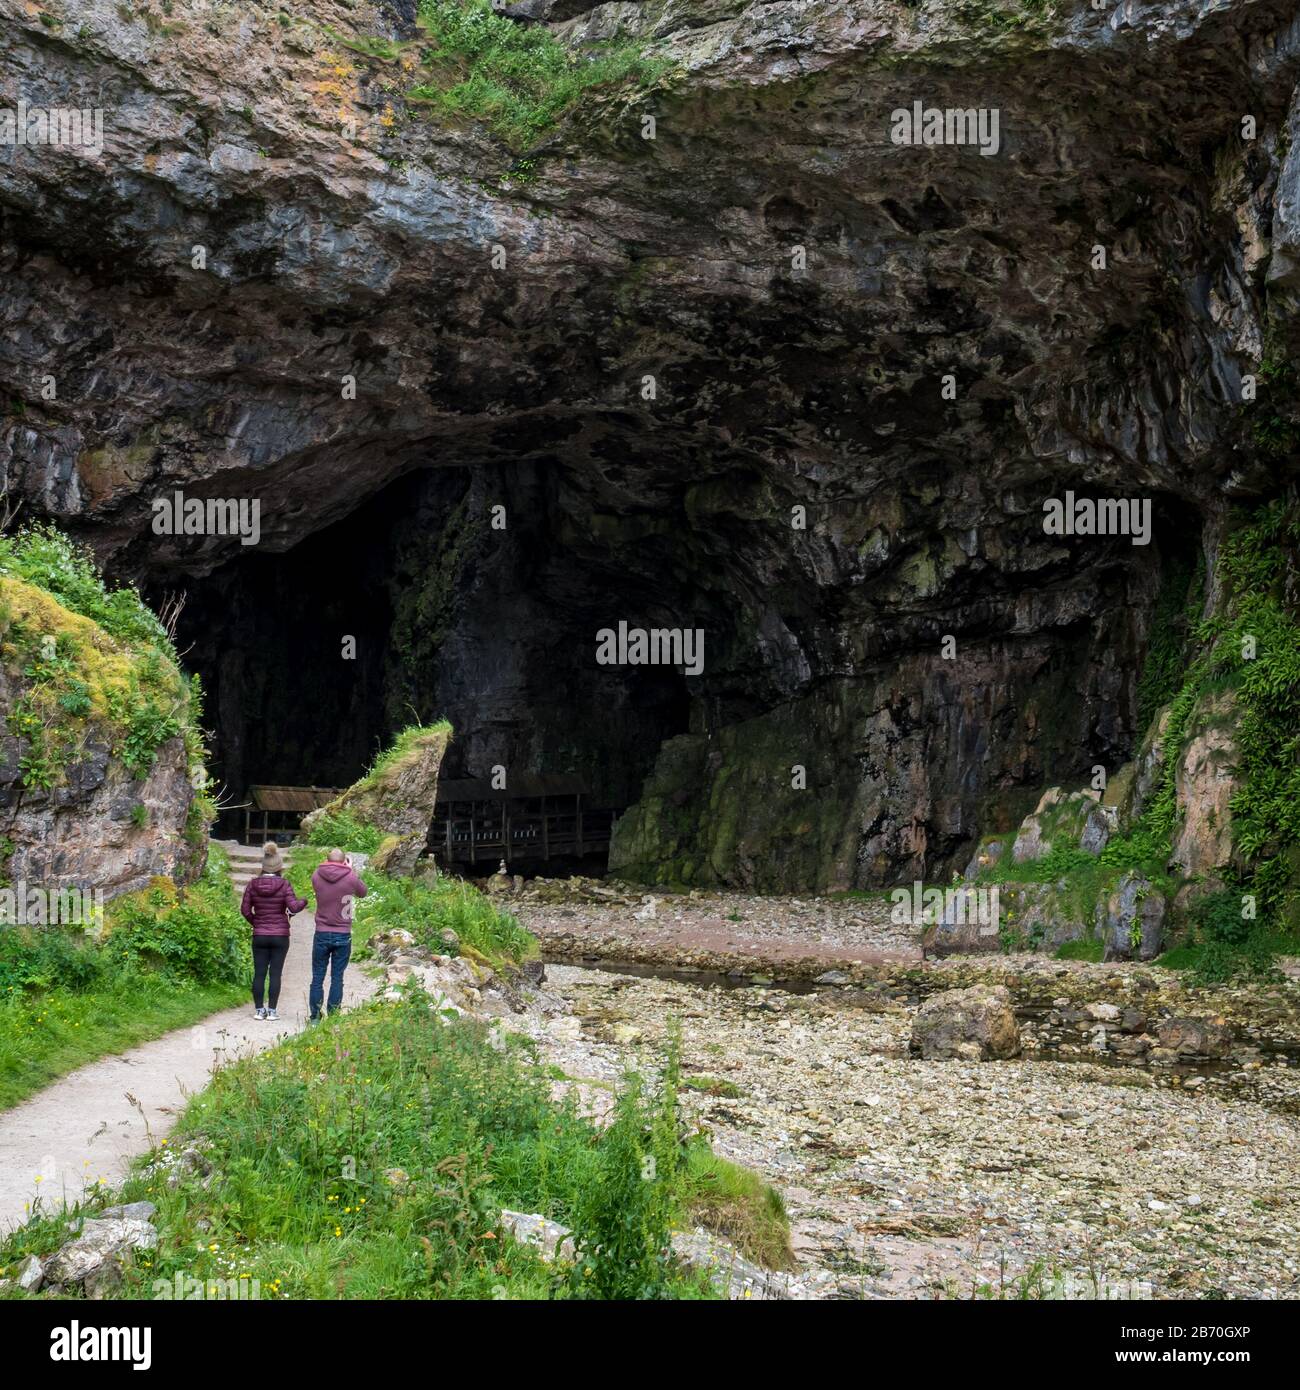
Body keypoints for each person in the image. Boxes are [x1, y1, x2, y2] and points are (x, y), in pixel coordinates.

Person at [240, 843, 307, 1021]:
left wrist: (257, 923)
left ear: (263, 867)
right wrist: (304, 901)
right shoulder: (285, 885)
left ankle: (258, 1010)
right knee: (275, 973)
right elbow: (293, 907)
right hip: (280, 936)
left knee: (259, 972)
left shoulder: (252, 885)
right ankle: (272, 1011)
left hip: (259, 935)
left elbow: (245, 910)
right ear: (279, 868)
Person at [309, 848, 367, 1020]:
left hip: (321, 931)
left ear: (327, 859)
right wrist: (351, 870)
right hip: (343, 933)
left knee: (317, 977)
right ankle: (333, 1016)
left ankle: (315, 1017)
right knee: (337, 978)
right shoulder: (350, 876)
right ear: (344, 861)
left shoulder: (316, 874)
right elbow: (363, 892)